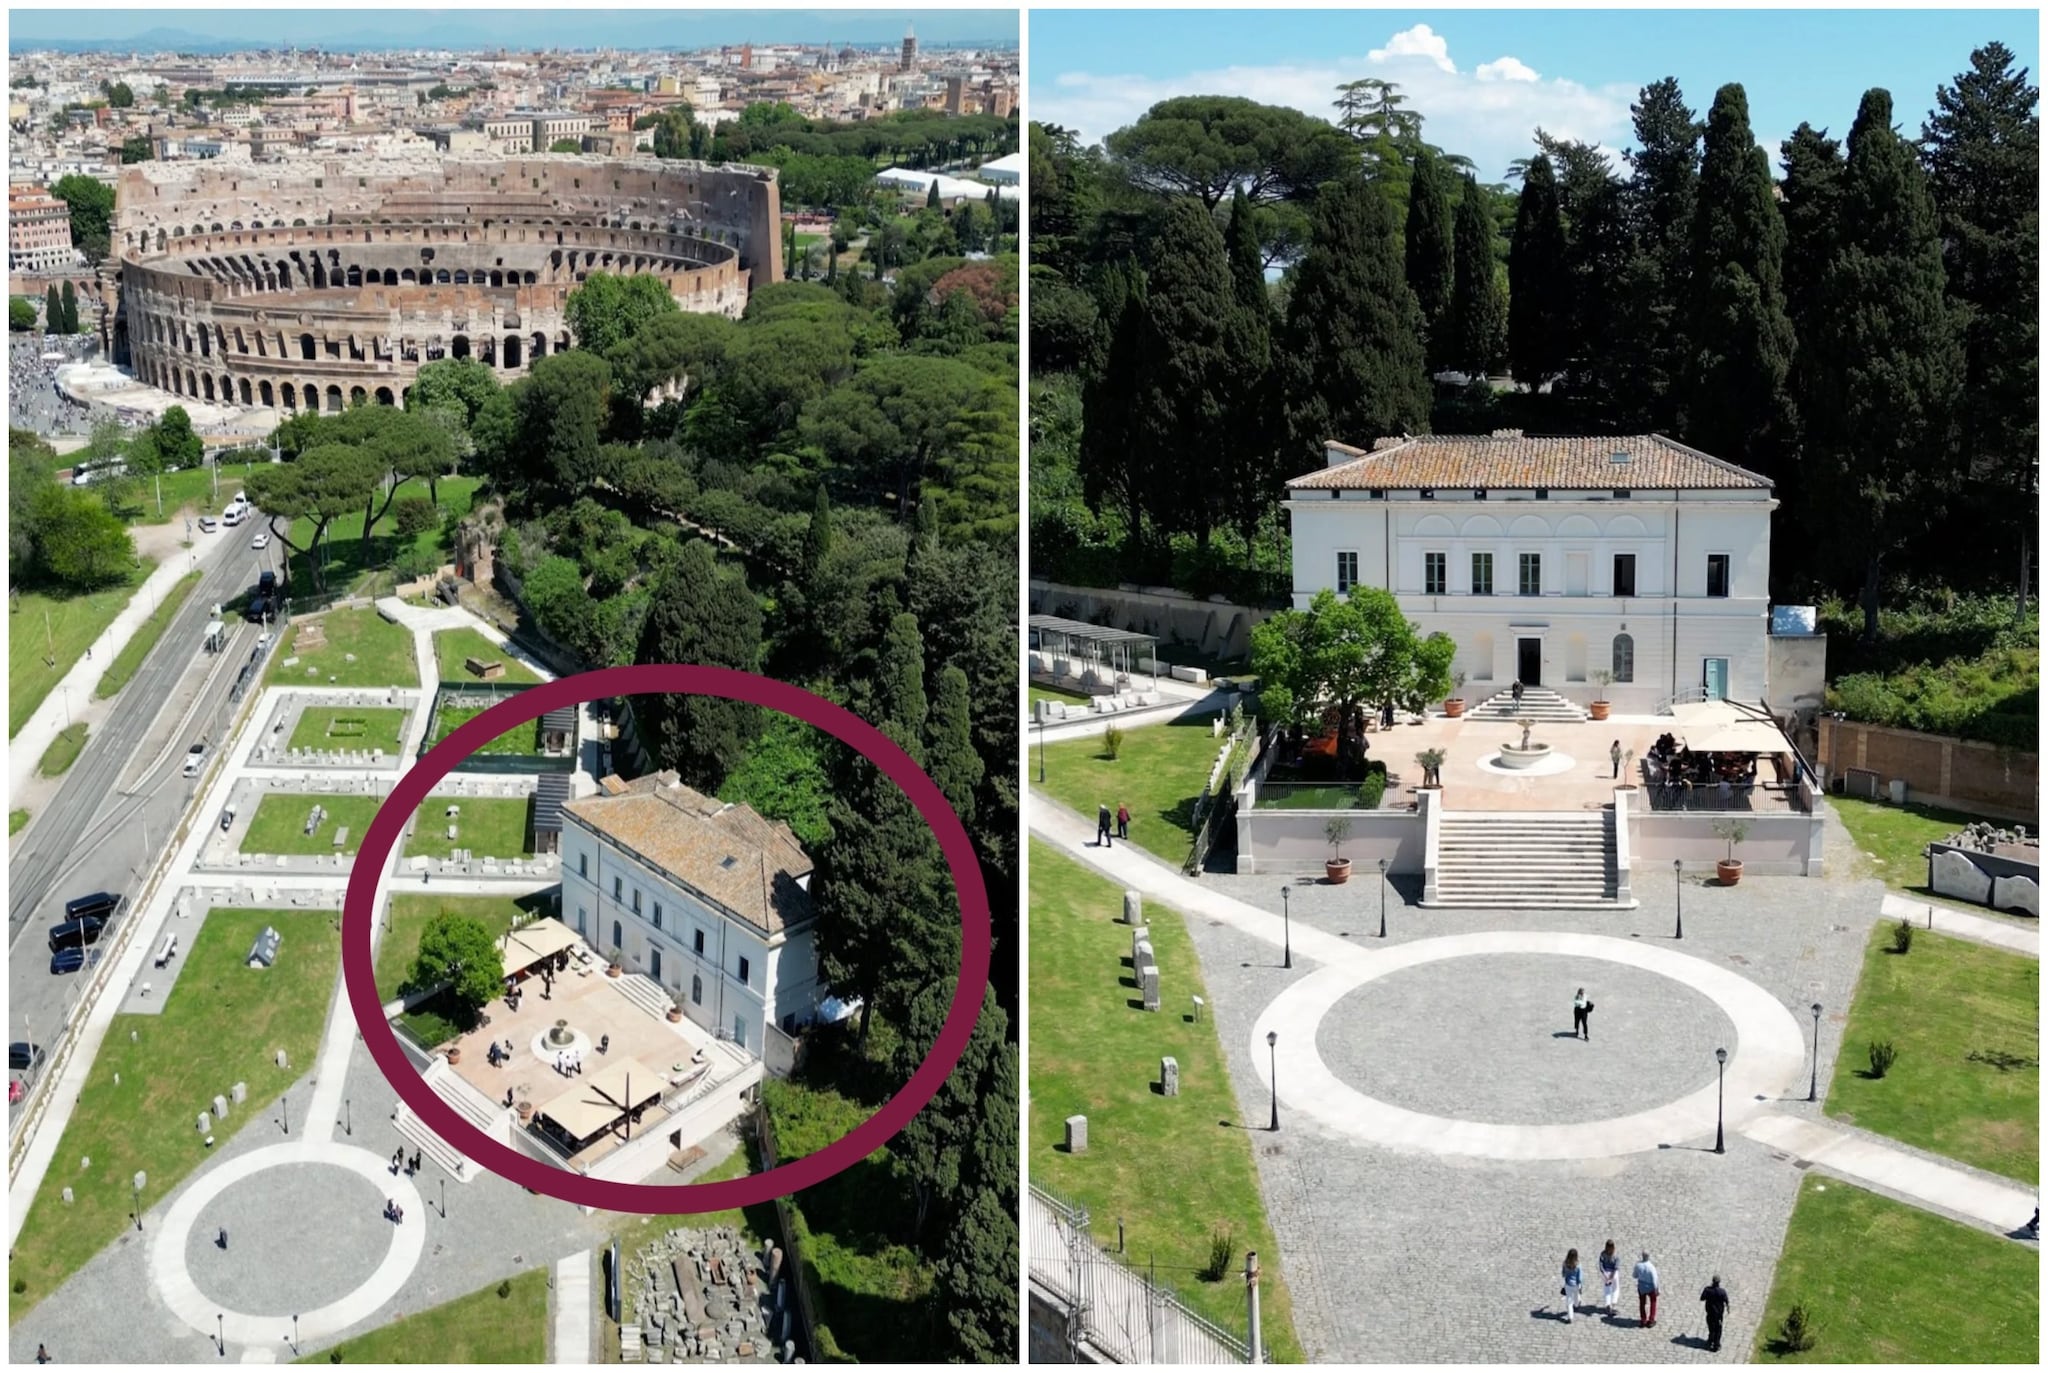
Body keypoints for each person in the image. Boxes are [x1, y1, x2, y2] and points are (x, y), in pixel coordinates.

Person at [1700, 1274, 1730, 1352]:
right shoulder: (1722, 1292)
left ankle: (1711, 1339)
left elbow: (1702, 1298)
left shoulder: (1707, 1290)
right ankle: (1716, 1345)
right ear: (1719, 1282)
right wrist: (1728, 1309)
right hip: (1719, 1315)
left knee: (1711, 1328)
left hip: (1710, 1313)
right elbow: (1726, 1301)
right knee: (1718, 1330)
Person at [1633, 1251, 1661, 1328]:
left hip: (1641, 1286)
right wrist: (1657, 1289)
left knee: (1642, 1303)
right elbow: (1655, 1279)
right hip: (1650, 1287)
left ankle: (1643, 1320)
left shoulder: (1638, 1265)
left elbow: (1634, 1275)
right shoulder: (1651, 1267)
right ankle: (1651, 1320)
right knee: (1653, 1301)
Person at [1560, 1248, 1583, 1323]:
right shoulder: (1578, 1265)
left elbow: (1563, 1274)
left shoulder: (1565, 1263)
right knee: (1576, 1297)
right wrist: (1580, 1285)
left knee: (1569, 1301)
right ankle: (1576, 1305)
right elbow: (1580, 1277)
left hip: (1568, 1284)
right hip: (1576, 1284)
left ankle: (1570, 1317)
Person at [1598, 1240, 1621, 1314]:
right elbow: (1616, 1267)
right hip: (1613, 1274)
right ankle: (1614, 1302)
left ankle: (1608, 1304)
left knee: (1607, 1289)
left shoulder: (1602, 1254)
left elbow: (1601, 1266)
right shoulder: (1615, 1255)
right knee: (1616, 1288)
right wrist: (1612, 1275)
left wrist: (1605, 1274)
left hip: (1605, 1274)